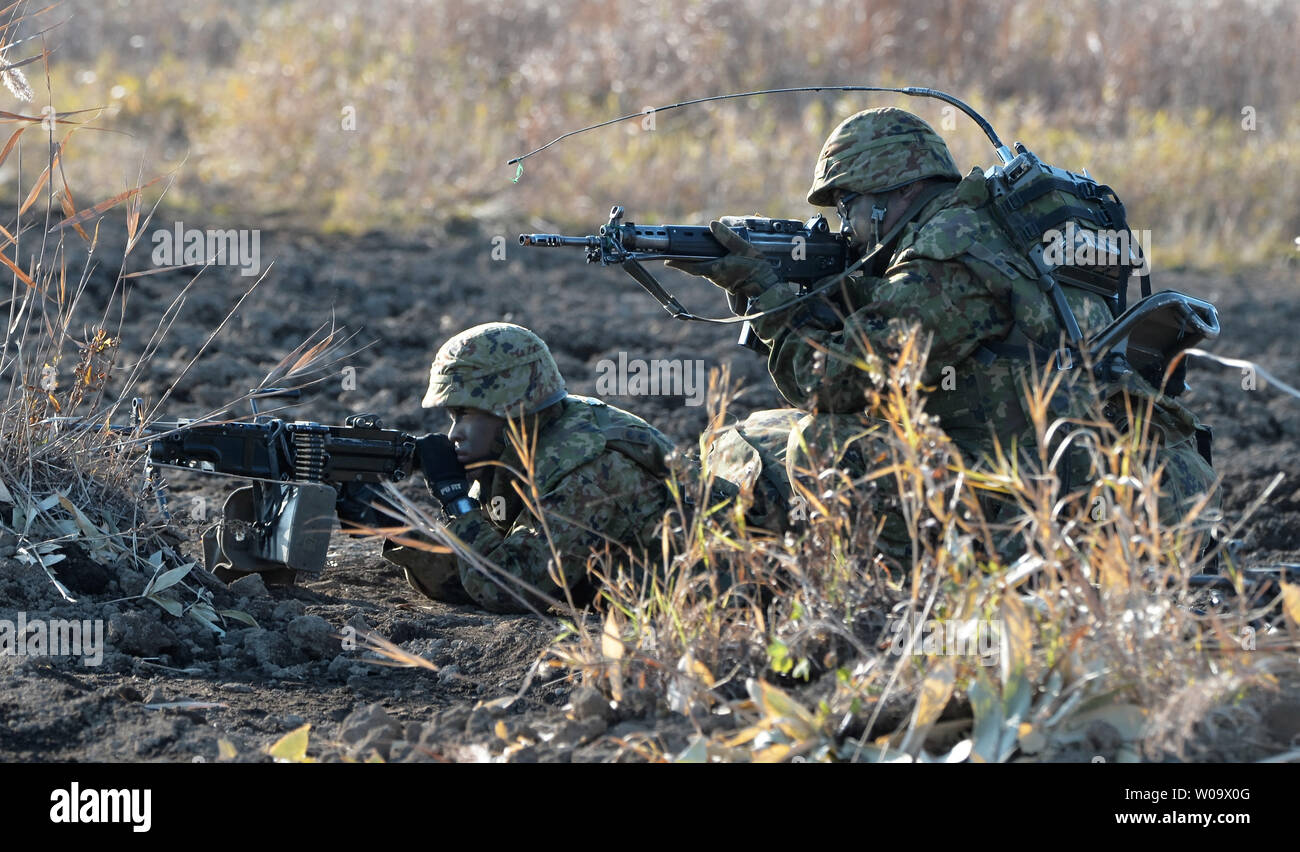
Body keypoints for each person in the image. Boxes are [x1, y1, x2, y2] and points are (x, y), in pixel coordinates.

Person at [673, 108, 1217, 554]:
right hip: (1131, 486)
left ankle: (917, 595)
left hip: (1044, 515)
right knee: (764, 431)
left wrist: (768, 299)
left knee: (821, 442)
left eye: (847, 205)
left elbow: (829, 384)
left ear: (887, 193)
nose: (846, 228)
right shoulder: (1000, 229)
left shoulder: (947, 251)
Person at [382, 322, 678, 613]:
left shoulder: (588, 471)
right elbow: (465, 574)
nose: (453, 434)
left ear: (510, 408)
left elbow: (506, 589)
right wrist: (392, 523)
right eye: (452, 417)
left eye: (464, 415)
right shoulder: (517, 452)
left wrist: (457, 502)